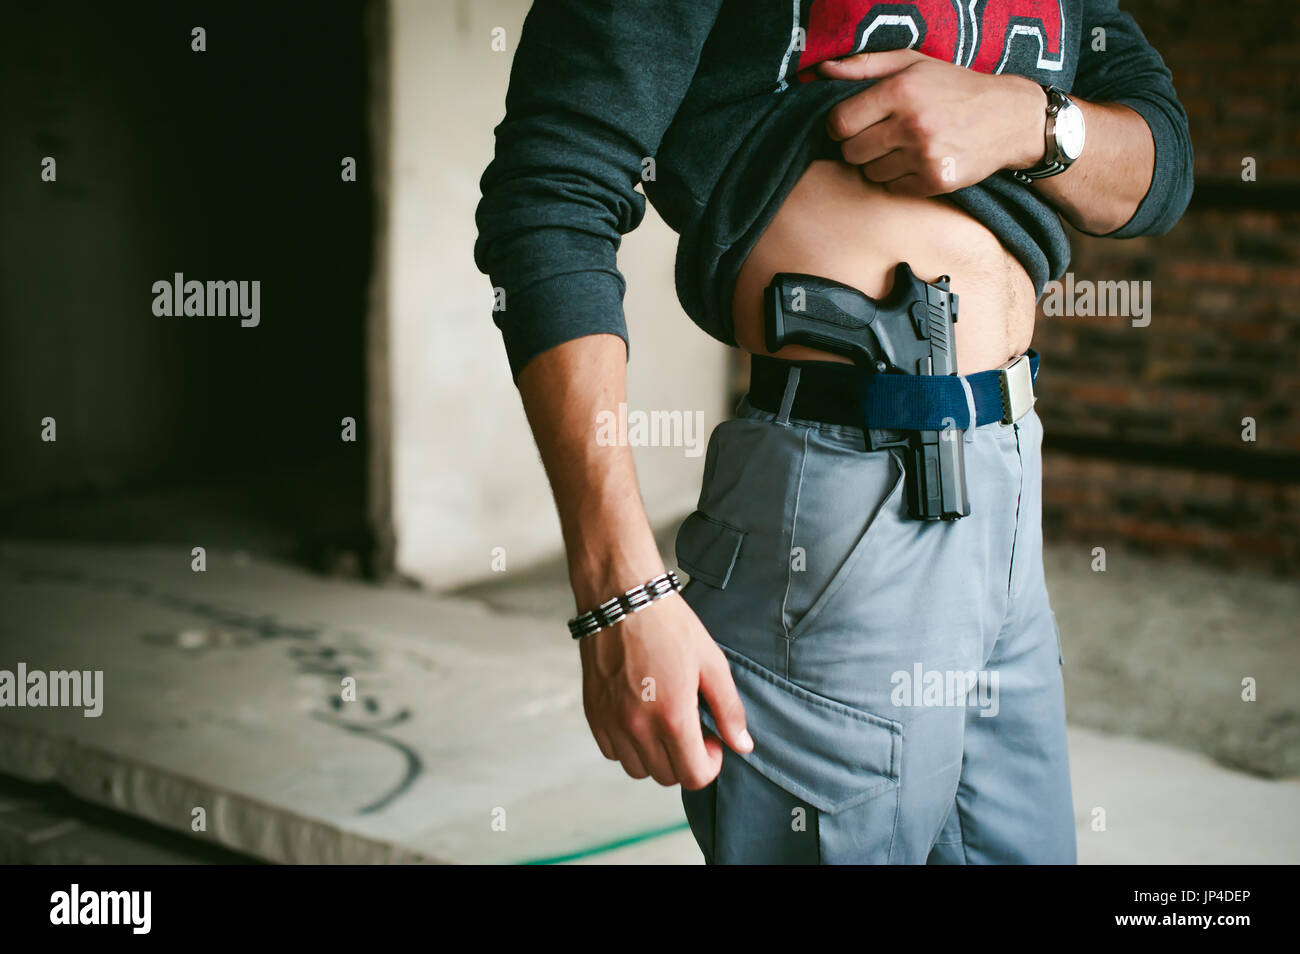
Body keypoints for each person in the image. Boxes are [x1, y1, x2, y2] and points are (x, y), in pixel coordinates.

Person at [474, 0, 1192, 864]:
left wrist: (1030, 122)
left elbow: (1161, 167)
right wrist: (616, 592)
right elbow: (549, 193)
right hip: (841, 500)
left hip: (1007, 481)